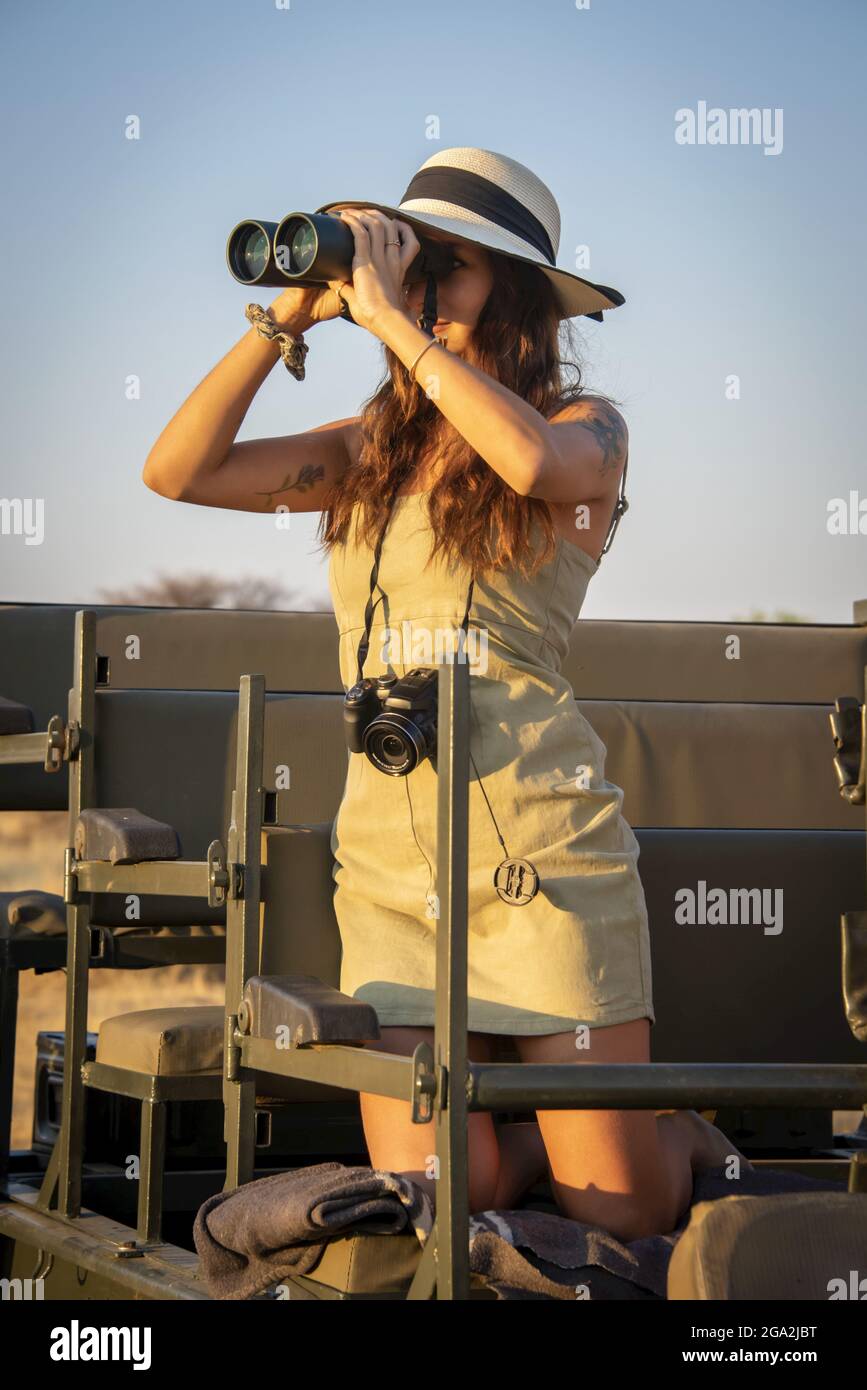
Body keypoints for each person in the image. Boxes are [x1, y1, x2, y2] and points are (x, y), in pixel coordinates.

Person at [143, 146, 747, 1242]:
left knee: (624, 1204)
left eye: (445, 266)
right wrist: (291, 316)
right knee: (445, 1195)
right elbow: (176, 471)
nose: (417, 285)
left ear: (514, 290)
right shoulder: (371, 449)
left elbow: (525, 465)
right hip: (391, 861)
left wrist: (394, 323)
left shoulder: (588, 428)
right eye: (411, 261)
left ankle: (677, 1137)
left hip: (543, 850)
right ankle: (529, 1141)